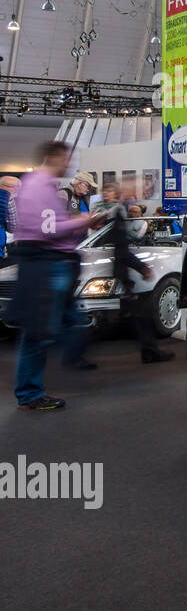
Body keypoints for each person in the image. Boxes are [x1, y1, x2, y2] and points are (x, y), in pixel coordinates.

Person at [11, 141, 107, 411]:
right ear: (53, 157)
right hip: (46, 263)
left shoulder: (37, 185)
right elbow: (48, 228)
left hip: (47, 262)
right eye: (66, 158)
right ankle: (30, 393)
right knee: (39, 332)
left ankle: (32, 388)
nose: (69, 164)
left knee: (45, 329)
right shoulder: (40, 187)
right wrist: (84, 221)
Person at [100, 183, 174, 364]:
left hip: (120, 271)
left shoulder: (115, 213)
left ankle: (149, 351)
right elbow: (122, 250)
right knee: (141, 315)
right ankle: (149, 351)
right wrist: (142, 268)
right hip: (121, 272)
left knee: (139, 315)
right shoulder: (117, 213)